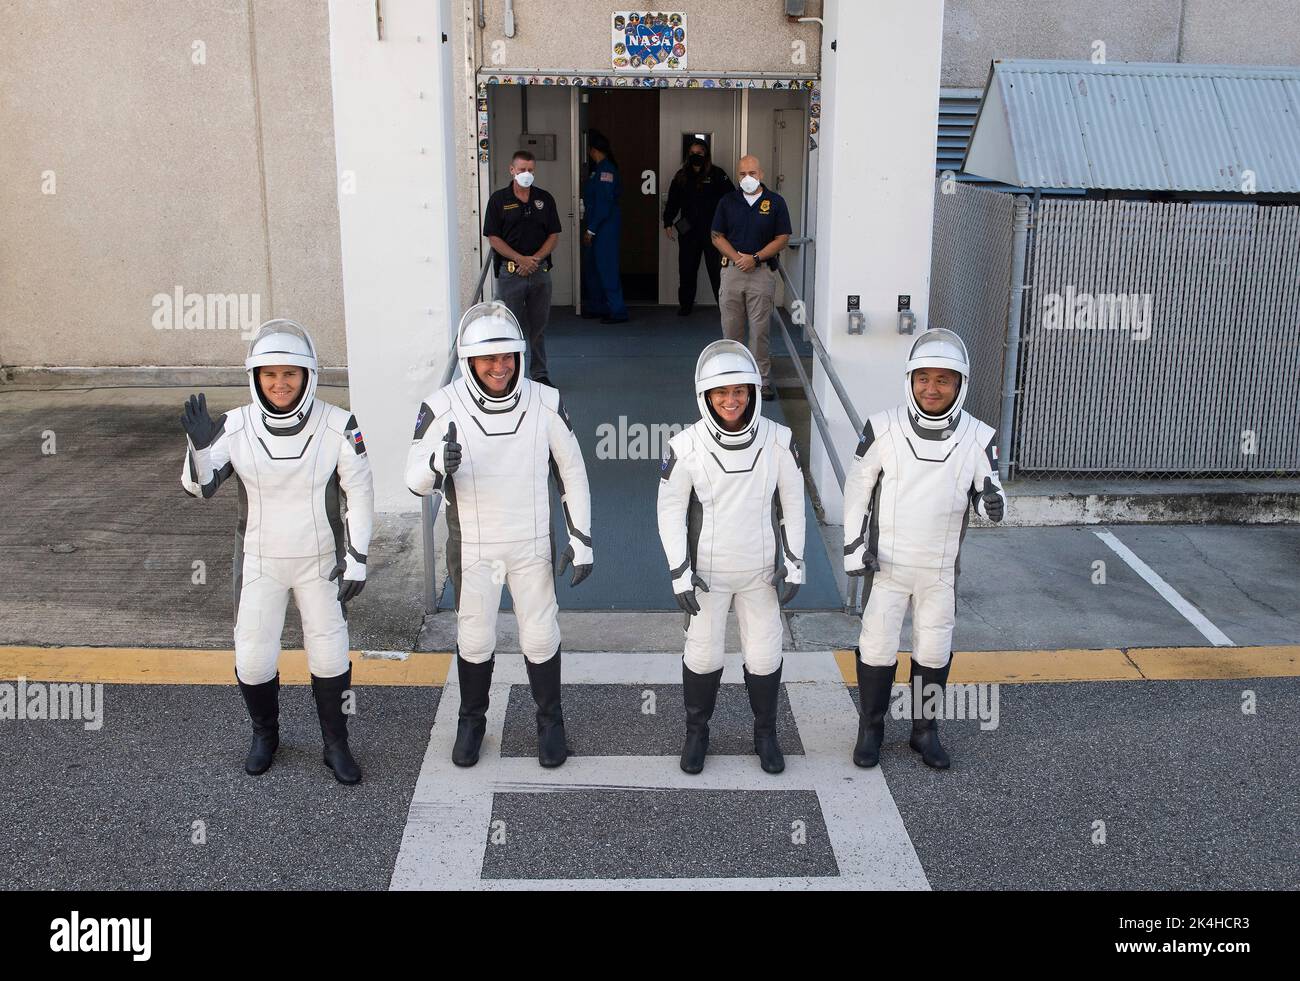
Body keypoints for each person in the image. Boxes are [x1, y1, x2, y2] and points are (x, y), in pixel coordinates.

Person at [180, 319, 374, 785]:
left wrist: (359, 555)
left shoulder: (339, 423)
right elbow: (198, 488)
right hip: (260, 563)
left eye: (290, 373)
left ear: (308, 375)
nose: (280, 383)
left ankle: (335, 744)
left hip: (321, 562)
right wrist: (199, 446)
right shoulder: (235, 424)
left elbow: (361, 492)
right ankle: (265, 735)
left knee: (329, 656)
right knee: (252, 657)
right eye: (270, 374)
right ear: (256, 377)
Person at [405, 302, 593, 769]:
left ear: (519, 356)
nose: (499, 367)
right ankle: (472, 721)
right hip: (474, 546)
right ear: (469, 360)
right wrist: (436, 465)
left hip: (531, 542)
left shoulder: (545, 401)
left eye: (507, 356)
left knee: (540, 635)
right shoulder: (440, 406)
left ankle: (551, 723)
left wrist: (582, 538)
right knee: (474, 638)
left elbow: (573, 471)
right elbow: (413, 479)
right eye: (488, 359)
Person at [843, 328, 1005, 771]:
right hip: (888, 565)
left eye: (944, 380)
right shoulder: (883, 426)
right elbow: (858, 489)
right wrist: (855, 548)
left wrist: (993, 504)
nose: (932, 388)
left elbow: (989, 492)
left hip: (939, 570)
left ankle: (924, 730)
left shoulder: (978, 435)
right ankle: (870, 729)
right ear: (910, 379)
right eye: (923, 378)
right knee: (876, 647)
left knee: (933, 649)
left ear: (960, 384)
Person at [656, 340, 805, 776]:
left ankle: (766, 734)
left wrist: (794, 562)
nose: (731, 400)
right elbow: (669, 512)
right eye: (721, 392)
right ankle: (697, 732)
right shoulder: (684, 446)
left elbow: (793, 505)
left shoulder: (779, 440)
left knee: (763, 655)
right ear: (705, 396)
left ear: (753, 392)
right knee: (702, 655)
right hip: (707, 576)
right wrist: (680, 573)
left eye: (739, 390)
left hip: (760, 574)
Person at [710, 155, 792, 400]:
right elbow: (716, 235)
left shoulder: (775, 202)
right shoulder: (728, 201)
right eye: (742, 173)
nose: (747, 178)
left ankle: (761, 380)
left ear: (762, 174)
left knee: (760, 330)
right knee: (731, 329)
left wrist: (754, 258)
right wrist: (738, 258)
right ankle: (733, 379)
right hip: (733, 272)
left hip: (761, 273)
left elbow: (783, 238)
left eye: (752, 173)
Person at [483, 149, 562, 387]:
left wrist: (534, 260)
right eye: (522, 170)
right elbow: (493, 238)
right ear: (512, 170)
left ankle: (539, 374)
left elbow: (553, 234)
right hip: (510, 275)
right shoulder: (499, 200)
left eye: (530, 170)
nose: (526, 174)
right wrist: (520, 259)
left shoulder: (544, 199)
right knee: (507, 327)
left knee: (539, 328)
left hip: (539, 273)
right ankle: (510, 377)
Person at [663, 138, 733, 316]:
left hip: (714, 231)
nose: (696, 156)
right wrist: (668, 221)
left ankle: (723, 306)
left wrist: (731, 224)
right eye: (693, 153)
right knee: (686, 270)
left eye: (700, 153)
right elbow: (672, 202)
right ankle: (685, 305)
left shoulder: (717, 174)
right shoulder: (681, 176)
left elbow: (731, 199)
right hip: (688, 231)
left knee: (717, 271)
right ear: (688, 155)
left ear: (706, 154)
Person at [580, 129, 628, 324]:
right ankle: (597, 306)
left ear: (593, 150)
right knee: (592, 267)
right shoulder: (597, 170)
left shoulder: (606, 171)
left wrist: (592, 229)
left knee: (607, 267)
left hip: (604, 227)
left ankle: (617, 310)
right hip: (596, 223)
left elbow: (604, 204)